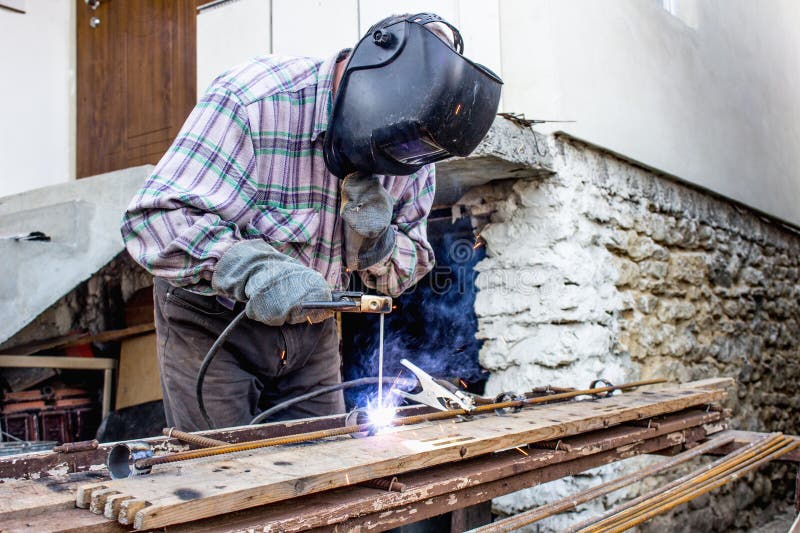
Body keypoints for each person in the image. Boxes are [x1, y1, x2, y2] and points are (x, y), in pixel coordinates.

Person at [120, 13, 501, 431]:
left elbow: (410, 264)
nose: (389, 165)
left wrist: (379, 243)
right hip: (213, 323)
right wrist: (247, 267)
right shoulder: (255, 99)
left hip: (313, 328)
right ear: (364, 78)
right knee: (224, 470)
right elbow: (154, 218)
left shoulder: (414, 150)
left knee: (320, 463)